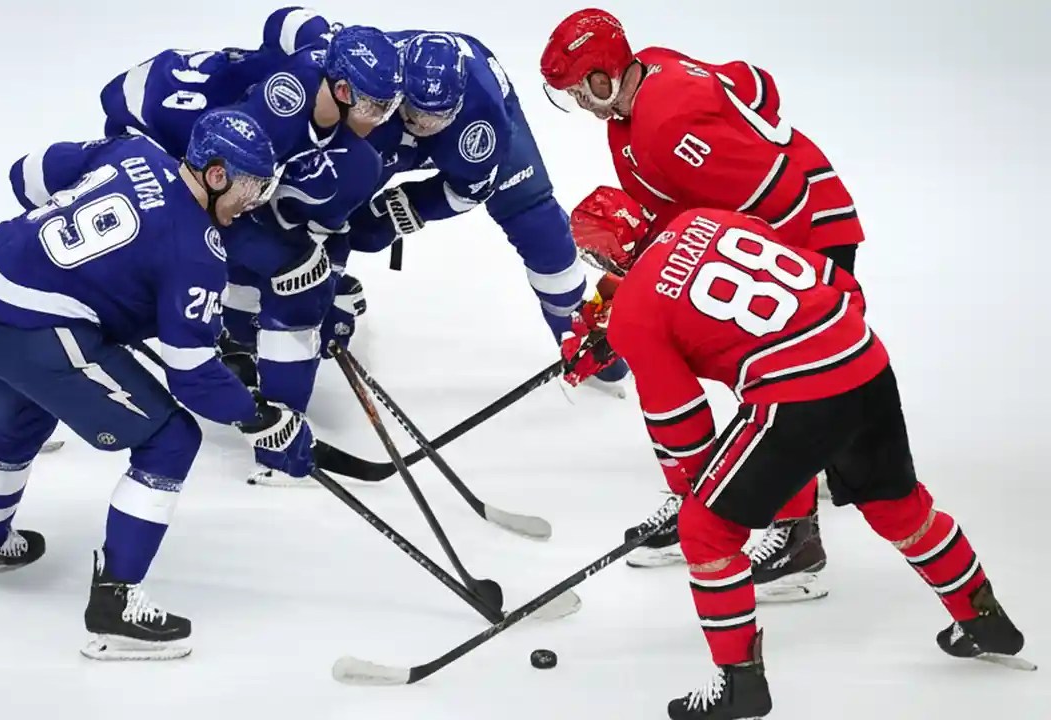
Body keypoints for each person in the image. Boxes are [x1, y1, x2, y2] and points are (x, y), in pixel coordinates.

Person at [560, 188, 1027, 718]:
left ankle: (739, 686)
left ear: (609, 252)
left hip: (796, 396)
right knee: (900, 506)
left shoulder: (635, 310)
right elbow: (834, 281)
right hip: (863, 357)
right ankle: (985, 618)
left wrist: (696, 493)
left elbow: (682, 423)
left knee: (706, 529)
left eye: (595, 257)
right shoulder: (707, 215)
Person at [0, 109, 316, 660]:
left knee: (17, 422)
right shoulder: (197, 252)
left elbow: (28, 174)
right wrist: (263, 420)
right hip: (39, 334)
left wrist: (88, 270)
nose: (254, 202)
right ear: (215, 175)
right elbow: (191, 376)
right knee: (171, 440)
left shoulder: (133, 151)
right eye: (249, 187)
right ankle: (116, 605)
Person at [540, 7, 865, 597]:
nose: (582, 106)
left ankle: (799, 538)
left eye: (582, 88)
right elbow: (753, 83)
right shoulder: (632, 111)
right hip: (754, 237)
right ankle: (703, 498)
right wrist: (614, 307)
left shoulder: (668, 118)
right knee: (669, 352)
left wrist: (779, 282)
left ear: (604, 71)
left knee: (776, 375)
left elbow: (785, 197)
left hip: (807, 230)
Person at [102, 24, 402, 486]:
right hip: (151, 131)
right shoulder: (275, 116)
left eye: (389, 107)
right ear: (341, 90)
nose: (381, 120)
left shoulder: (345, 141)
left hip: (212, 146)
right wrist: (312, 284)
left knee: (299, 266)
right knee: (138, 262)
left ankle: (237, 344)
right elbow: (225, 208)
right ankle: (23, 372)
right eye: (374, 107)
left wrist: (328, 287)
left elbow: (283, 18)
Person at [345, 29, 631, 395]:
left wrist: (406, 208)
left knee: (541, 231)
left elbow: (470, 189)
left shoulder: (483, 114)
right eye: (418, 116)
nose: (424, 127)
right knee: (325, 201)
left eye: (436, 119)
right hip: (384, 116)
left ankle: (586, 345)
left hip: (463, 128)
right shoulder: (369, 84)